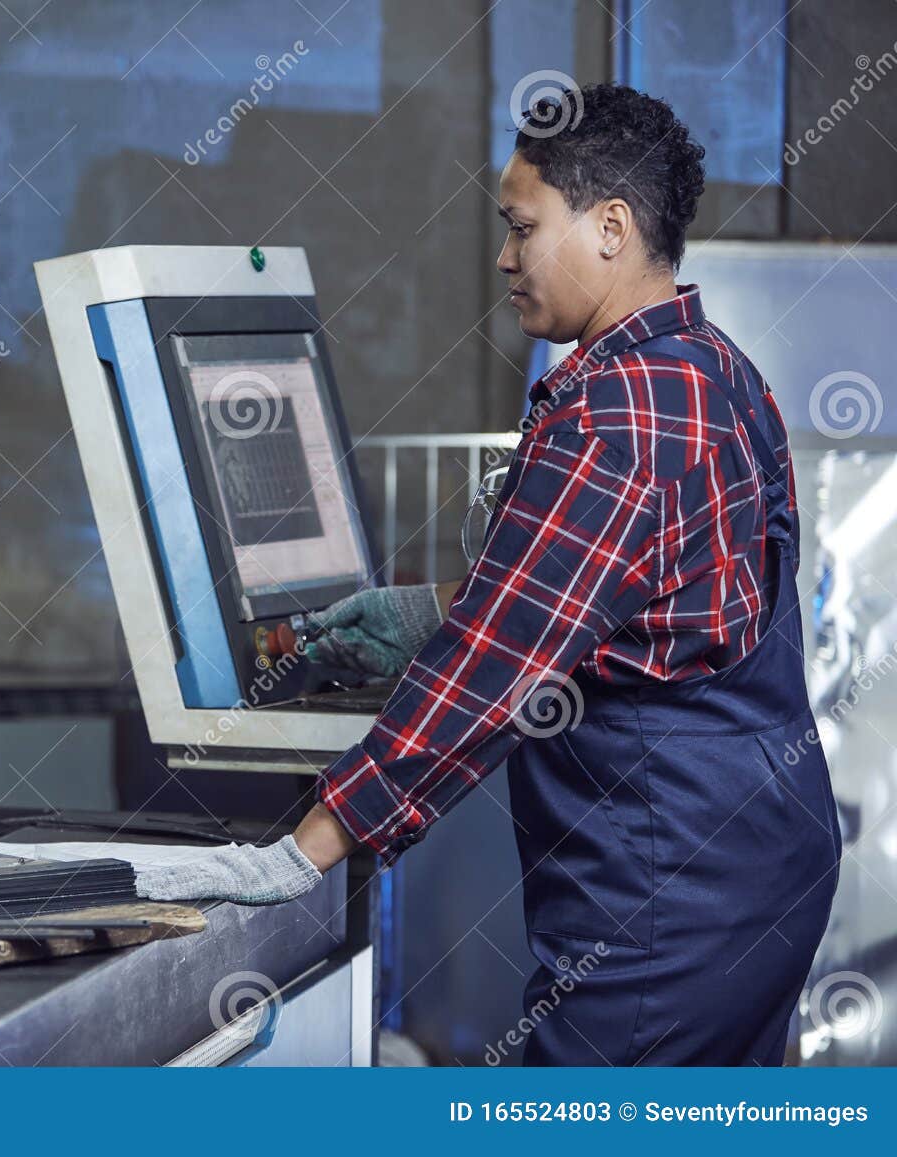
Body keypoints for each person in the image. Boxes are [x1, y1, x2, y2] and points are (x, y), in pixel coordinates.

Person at [135, 83, 841, 1066]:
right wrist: (437, 610)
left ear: (608, 226)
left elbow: (493, 673)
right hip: (763, 857)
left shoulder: (619, 414)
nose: (503, 258)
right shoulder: (711, 365)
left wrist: (301, 851)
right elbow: (655, 605)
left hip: (666, 889)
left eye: (520, 227)